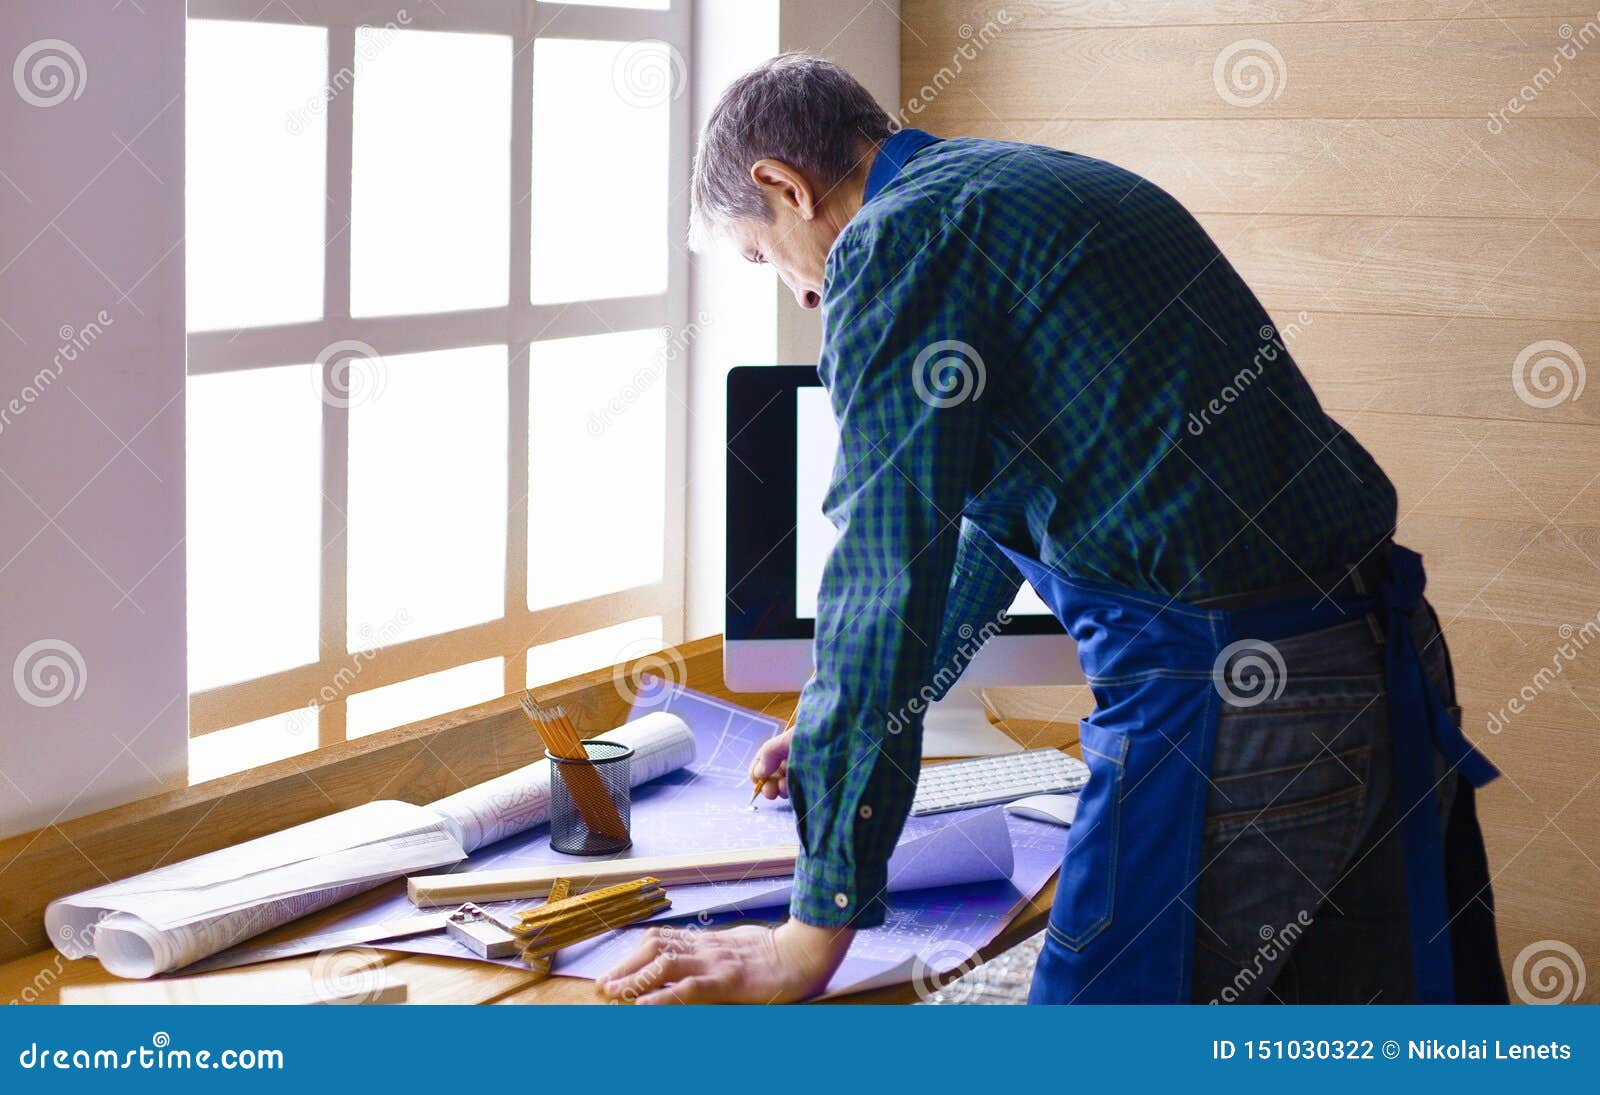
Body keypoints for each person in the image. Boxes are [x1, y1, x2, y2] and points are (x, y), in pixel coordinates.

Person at [599, 53, 1506, 1005]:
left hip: (1231, 701)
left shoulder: (891, 244)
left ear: (784, 185)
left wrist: (808, 934)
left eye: (763, 254)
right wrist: (846, 738)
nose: (799, 294)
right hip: (1378, 659)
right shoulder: (1038, 185)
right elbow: (987, 529)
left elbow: (883, 580)